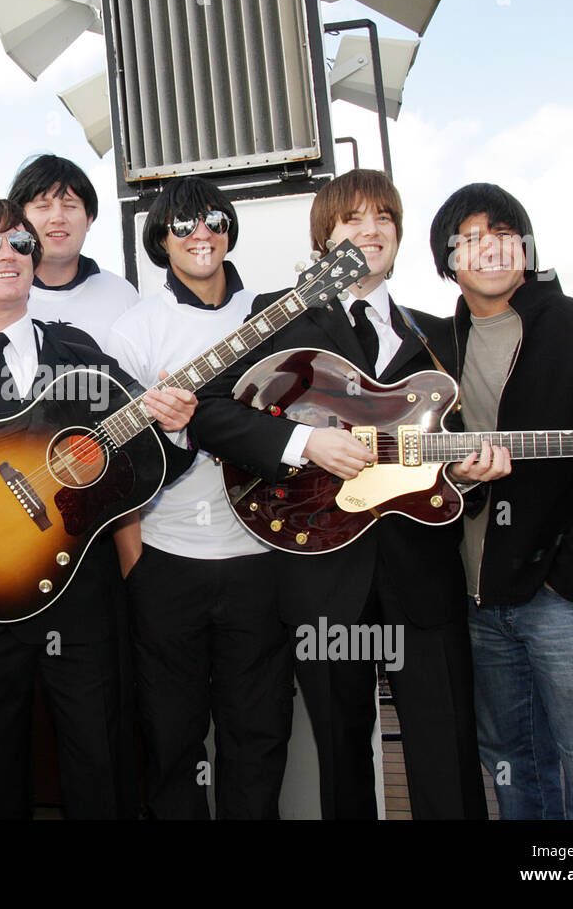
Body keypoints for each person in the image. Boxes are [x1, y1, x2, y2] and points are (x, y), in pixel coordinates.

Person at [188, 169, 494, 819]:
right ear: (324, 237)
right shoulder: (278, 313)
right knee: (343, 764)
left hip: (423, 575)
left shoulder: (439, 332)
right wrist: (302, 446)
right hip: (322, 572)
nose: (371, 229)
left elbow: (454, 447)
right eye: (353, 219)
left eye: (383, 217)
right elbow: (208, 408)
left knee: (449, 760)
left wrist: (469, 472)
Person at [0, 198, 196, 819]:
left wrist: (171, 425)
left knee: (98, 750)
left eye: (19, 242)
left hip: (78, 590)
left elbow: (142, 461)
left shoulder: (80, 350)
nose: (7, 253)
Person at [429, 182, 573, 819]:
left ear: (527, 246)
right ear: (447, 259)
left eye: (505, 234)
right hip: (476, 595)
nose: (490, 249)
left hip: (566, 596)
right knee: (512, 763)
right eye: (471, 238)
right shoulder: (433, 350)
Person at [105, 177, 294, 819]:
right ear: (161, 239)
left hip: (261, 557)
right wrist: (133, 559)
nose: (201, 233)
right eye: (182, 224)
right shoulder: (133, 332)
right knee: (170, 741)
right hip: (166, 558)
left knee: (259, 736)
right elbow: (115, 465)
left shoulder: (272, 315)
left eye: (213, 218)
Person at [0, 154, 137, 347]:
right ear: (20, 219)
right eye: (42, 206)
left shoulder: (121, 295)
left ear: (89, 219)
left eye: (70, 205)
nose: (58, 218)